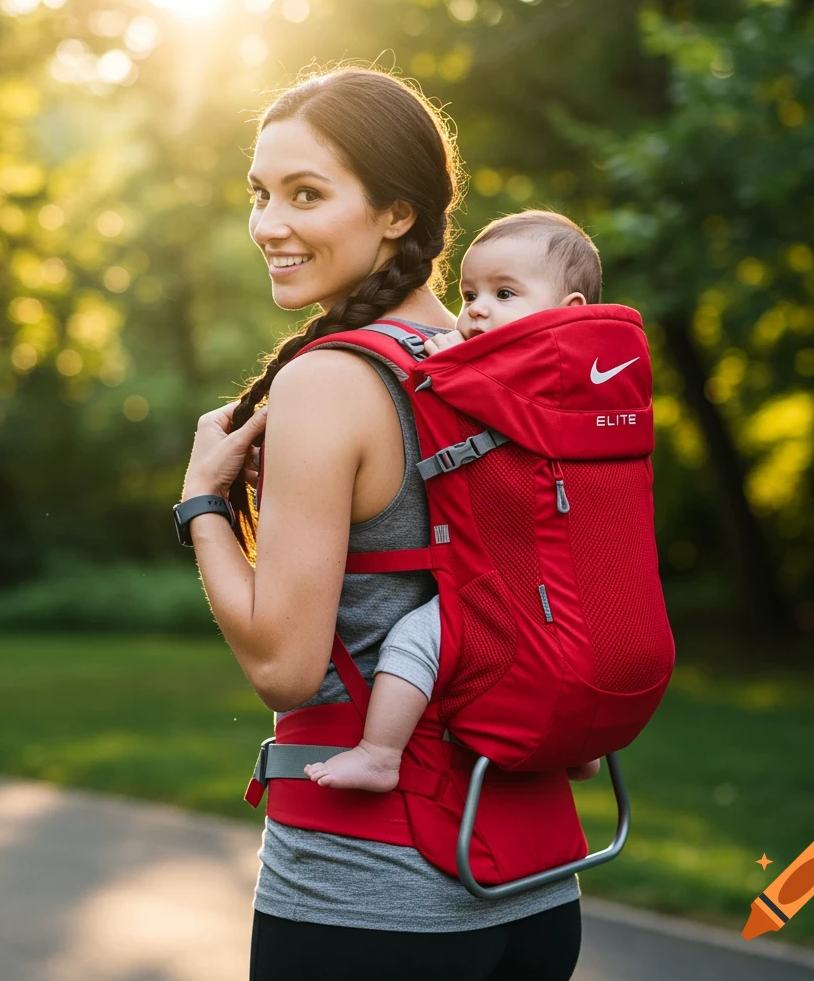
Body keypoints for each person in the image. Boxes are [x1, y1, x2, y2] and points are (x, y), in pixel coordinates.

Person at [179, 66, 585, 981]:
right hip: (536, 883)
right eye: (260, 194)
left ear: (398, 213)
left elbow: (287, 668)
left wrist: (204, 502)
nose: (269, 225)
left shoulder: (329, 381)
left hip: (371, 897)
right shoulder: (501, 361)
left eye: (306, 194)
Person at [302, 210, 604, 794]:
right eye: (469, 294)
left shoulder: (521, 380)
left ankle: (379, 753)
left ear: (567, 314)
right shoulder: (590, 388)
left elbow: (477, 439)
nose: (477, 309)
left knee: (416, 638)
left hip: (517, 579)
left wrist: (445, 369)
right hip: (578, 578)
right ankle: (582, 748)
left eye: (504, 293)